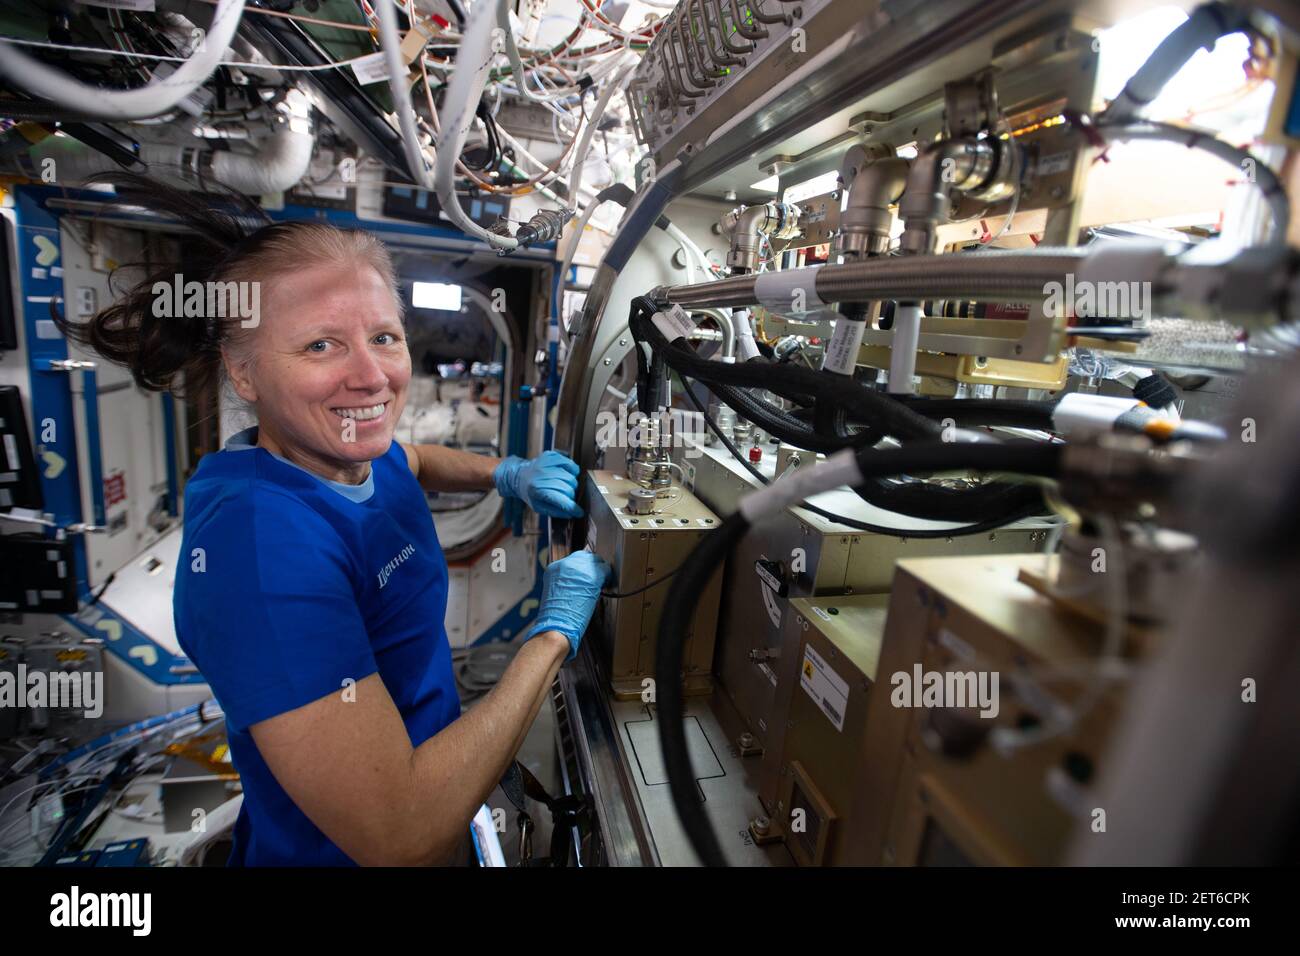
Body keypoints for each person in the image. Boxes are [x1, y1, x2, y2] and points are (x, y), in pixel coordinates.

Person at [58, 174, 610, 865]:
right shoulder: (258, 553)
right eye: (320, 346)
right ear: (244, 374)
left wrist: (507, 474)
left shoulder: (344, 453)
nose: (372, 377)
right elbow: (399, 833)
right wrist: (551, 638)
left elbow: (411, 460)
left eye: (383, 336)